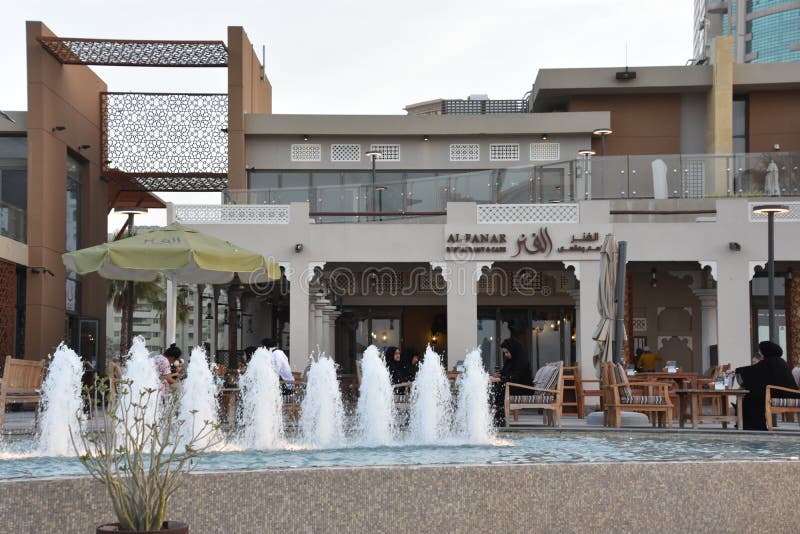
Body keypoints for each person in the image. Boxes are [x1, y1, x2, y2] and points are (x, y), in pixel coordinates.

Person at [736, 340, 800, 430]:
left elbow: (752, 372)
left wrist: (738, 370)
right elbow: (759, 373)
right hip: (783, 392)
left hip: (786, 394)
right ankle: (752, 425)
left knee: (752, 397)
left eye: (761, 351)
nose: (760, 353)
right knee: (753, 395)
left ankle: (753, 426)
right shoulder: (777, 361)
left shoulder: (772, 362)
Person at [490, 338, 533, 426]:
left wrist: (499, 379)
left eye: (507, 352)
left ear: (513, 350)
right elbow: (506, 374)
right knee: (494, 388)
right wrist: (498, 375)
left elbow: (515, 378)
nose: (506, 355)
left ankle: (499, 420)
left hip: (523, 389)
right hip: (513, 386)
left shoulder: (522, 362)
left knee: (497, 388)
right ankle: (496, 419)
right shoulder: (511, 361)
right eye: (504, 353)